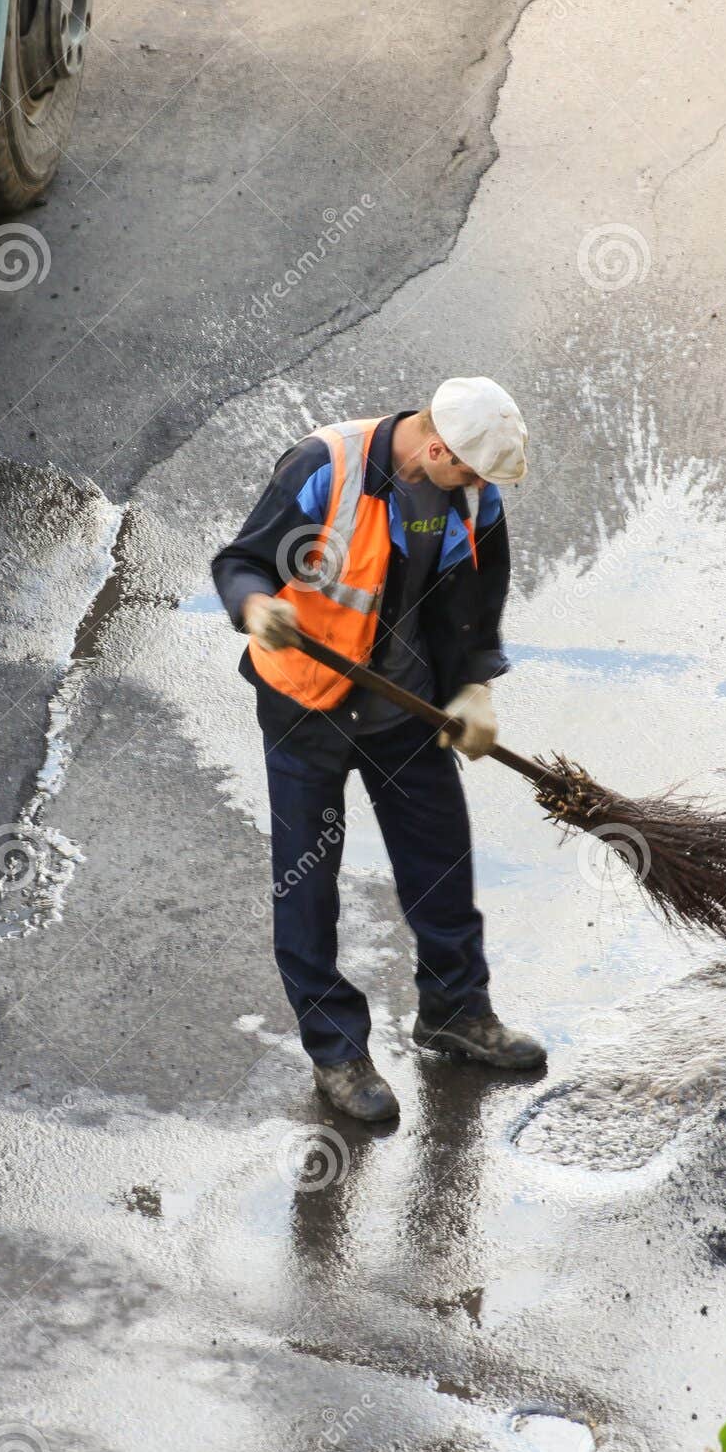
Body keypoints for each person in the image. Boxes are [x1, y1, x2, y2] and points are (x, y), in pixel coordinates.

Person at [211, 378, 546, 1124]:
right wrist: (257, 606)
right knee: (308, 885)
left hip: (406, 707)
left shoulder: (471, 495)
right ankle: (336, 1052)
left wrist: (474, 686)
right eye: (472, 472)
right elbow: (238, 562)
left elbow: (477, 597)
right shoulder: (324, 466)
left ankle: (456, 1013)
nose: (483, 490)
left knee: (441, 863)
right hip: (307, 707)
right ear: (435, 448)